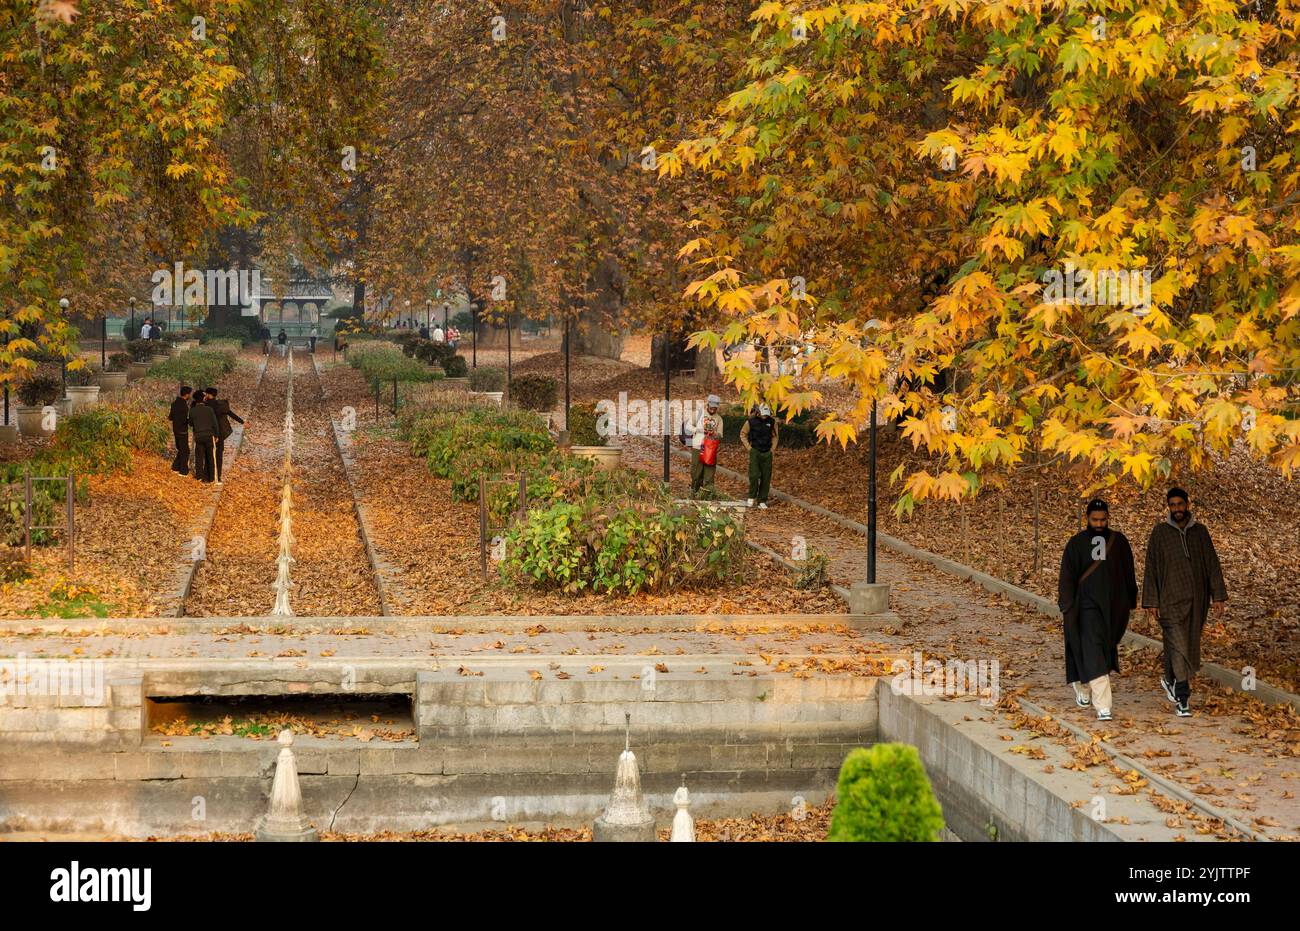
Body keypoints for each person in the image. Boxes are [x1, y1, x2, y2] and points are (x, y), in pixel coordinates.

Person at [1142, 487, 1227, 717]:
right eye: (1173, 505)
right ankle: (1183, 697)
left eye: (1180, 504)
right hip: (1169, 602)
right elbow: (1151, 567)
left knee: (1183, 645)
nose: (1177, 509)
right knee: (1178, 645)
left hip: (1196, 601)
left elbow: (1212, 563)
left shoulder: (1200, 532)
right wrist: (1151, 600)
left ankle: (1169, 679)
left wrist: (1217, 595)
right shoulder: (1160, 533)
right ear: (1168, 507)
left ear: (1187, 505)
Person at [1057, 499, 1138, 721]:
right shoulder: (1076, 543)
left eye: (1103, 519)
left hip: (1112, 608)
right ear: (1087, 519)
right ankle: (1104, 706)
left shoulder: (1118, 542)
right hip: (1085, 609)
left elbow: (1128, 572)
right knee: (1092, 650)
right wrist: (1067, 605)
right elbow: (1067, 576)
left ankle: (1083, 686)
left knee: (1102, 651)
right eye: (1095, 519)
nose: (1099, 523)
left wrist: (1132, 599)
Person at [740, 403, 779, 508]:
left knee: (766, 477)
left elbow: (775, 436)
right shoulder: (750, 422)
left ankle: (762, 500)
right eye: (763, 414)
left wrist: (772, 450)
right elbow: (743, 434)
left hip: (767, 452)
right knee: (754, 475)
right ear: (758, 412)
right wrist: (749, 448)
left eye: (766, 414)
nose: (765, 416)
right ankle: (751, 496)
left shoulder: (772, 422)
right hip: (755, 451)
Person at [204, 387, 244, 484]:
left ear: (209, 395)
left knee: (208, 454)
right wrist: (242, 422)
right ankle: (218, 476)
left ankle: (208, 476)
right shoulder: (221, 405)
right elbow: (230, 413)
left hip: (209, 432)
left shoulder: (205, 405)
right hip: (220, 434)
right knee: (219, 455)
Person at [688, 394, 724, 498]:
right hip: (698, 446)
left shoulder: (719, 419)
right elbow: (688, 426)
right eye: (711, 406)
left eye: (715, 407)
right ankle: (694, 491)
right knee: (696, 471)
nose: (713, 409)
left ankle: (707, 494)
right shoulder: (699, 414)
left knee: (709, 472)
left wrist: (714, 433)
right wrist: (698, 430)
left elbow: (720, 435)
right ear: (707, 404)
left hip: (710, 449)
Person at [188, 392, 220, 484]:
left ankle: (199, 478)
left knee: (199, 457)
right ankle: (212, 478)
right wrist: (217, 435)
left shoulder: (192, 411)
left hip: (198, 436)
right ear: (203, 399)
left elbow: (190, 423)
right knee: (211, 457)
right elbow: (215, 423)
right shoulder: (209, 409)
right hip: (209, 436)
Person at [168, 386, 193, 475]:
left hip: (175, 430)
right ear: (186, 394)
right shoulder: (184, 406)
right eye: (189, 394)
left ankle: (175, 467)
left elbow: (170, 417)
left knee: (181, 449)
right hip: (182, 430)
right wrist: (190, 421)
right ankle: (183, 471)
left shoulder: (174, 403)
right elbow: (184, 420)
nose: (190, 395)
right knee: (185, 450)